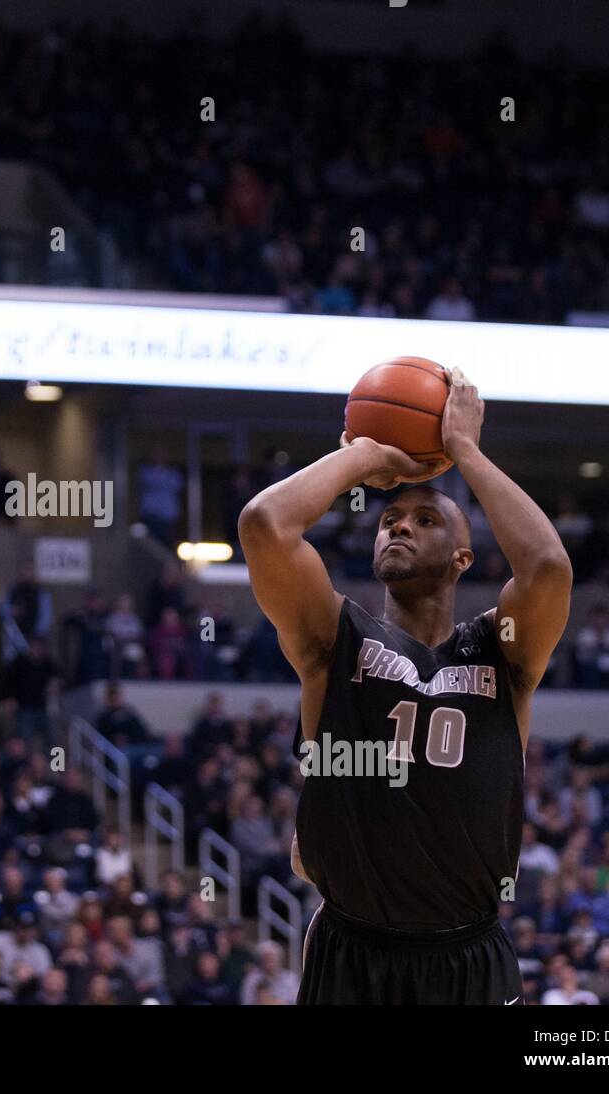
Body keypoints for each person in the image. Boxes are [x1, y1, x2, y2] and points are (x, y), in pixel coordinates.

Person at [239, 366, 572, 1005]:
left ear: (462, 558)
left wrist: (466, 452)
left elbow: (549, 566)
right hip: (353, 950)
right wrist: (363, 456)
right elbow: (264, 524)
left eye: (424, 520)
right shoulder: (335, 641)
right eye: (390, 517)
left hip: (468, 956)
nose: (398, 526)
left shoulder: (502, 652)